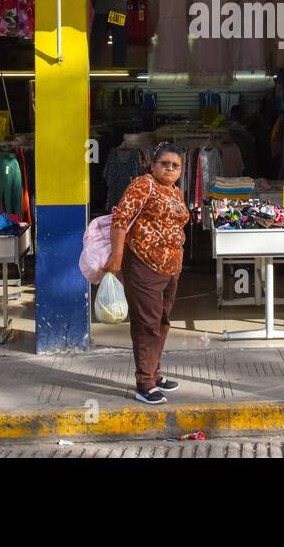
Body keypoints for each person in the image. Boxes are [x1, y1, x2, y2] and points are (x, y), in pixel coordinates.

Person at [103, 142, 189, 405]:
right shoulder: (143, 185)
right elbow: (120, 220)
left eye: (176, 165)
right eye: (165, 163)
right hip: (143, 264)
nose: (170, 169)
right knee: (147, 323)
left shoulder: (176, 193)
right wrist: (116, 258)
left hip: (170, 266)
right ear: (153, 165)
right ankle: (145, 383)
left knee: (161, 321)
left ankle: (154, 372)